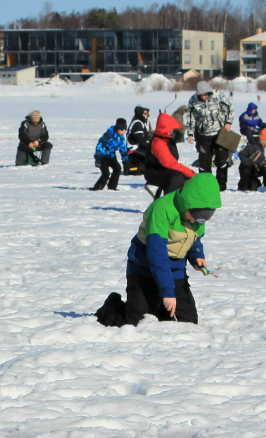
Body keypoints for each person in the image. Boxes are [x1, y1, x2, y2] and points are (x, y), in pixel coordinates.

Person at [113, 174, 220, 326]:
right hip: (144, 269)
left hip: (175, 272)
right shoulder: (161, 209)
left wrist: (196, 255)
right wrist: (168, 292)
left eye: (202, 219)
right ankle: (111, 308)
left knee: (187, 323)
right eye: (195, 216)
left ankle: (160, 306)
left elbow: (193, 240)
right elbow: (157, 255)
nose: (195, 221)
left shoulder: (197, 217)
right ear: (188, 202)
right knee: (137, 322)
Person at [181, 85, 234, 190]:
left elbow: (229, 108)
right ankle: (206, 185)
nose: (204, 97)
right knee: (204, 161)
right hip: (203, 134)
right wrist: (190, 133)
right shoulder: (193, 100)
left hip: (220, 132)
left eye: (206, 95)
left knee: (222, 160)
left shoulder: (218, 95)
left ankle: (221, 185)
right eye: (202, 95)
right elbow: (191, 117)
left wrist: (228, 122)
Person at [144, 111, 196, 196]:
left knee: (182, 176)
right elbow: (170, 163)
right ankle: (169, 203)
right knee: (177, 177)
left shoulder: (166, 139)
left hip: (165, 170)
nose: (172, 130)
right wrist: (191, 173)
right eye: (171, 127)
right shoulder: (158, 142)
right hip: (153, 173)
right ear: (165, 128)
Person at [91, 118, 128, 191]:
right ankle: (97, 188)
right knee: (106, 174)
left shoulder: (121, 138)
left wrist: (126, 162)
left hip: (111, 156)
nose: (123, 132)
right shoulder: (109, 135)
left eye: (124, 130)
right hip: (103, 157)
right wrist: (98, 158)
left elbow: (123, 150)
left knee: (117, 168)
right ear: (118, 128)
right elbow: (100, 146)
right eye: (122, 130)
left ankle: (112, 187)